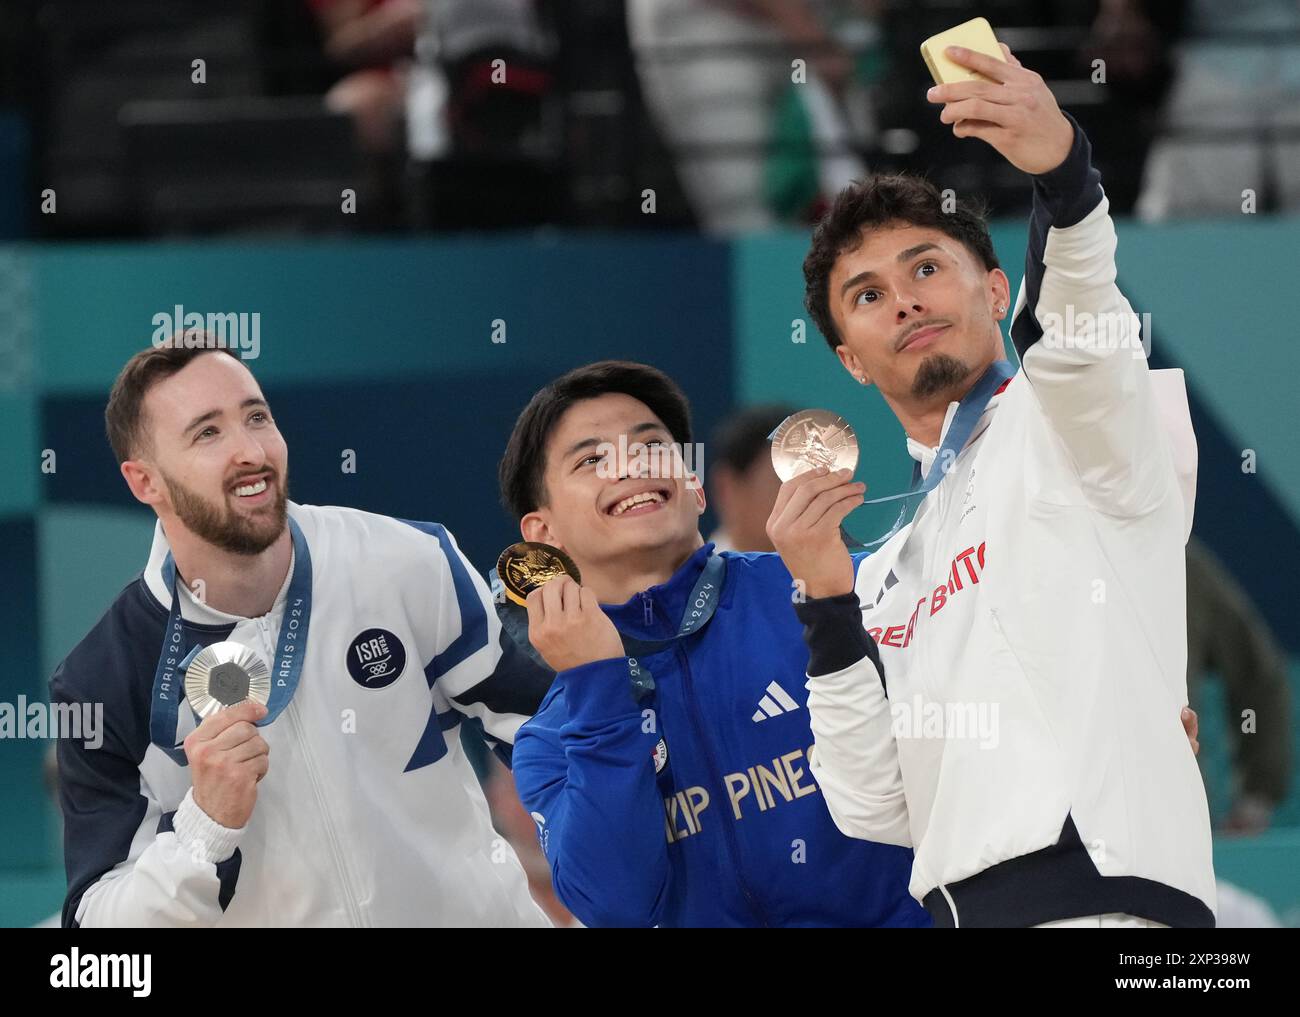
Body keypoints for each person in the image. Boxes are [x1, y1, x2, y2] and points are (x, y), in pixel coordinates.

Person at [770, 42, 1216, 927]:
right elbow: (873, 806)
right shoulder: (879, 567)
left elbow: (1082, 332)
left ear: (996, 286)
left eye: (927, 267)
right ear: (851, 360)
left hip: (1116, 902)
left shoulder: (1076, 425)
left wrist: (1065, 177)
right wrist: (824, 603)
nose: (904, 299)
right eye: (867, 294)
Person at [51, 336, 552, 927]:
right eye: (207, 433)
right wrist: (204, 827)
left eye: (257, 417)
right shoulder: (102, 677)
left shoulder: (407, 562)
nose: (250, 450)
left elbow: (554, 740)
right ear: (145, 483)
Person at [502, 360, 926, 927]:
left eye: (651, 446)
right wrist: (595, 687)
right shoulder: (555, 734)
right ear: (543, 534)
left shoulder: (839, 591)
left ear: (696, 487)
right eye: (592, 459)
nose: (630, 466)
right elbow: (617, 904)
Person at [705, 403, 795, 552]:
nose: (806, 494)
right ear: (725, 488)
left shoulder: (841, 571)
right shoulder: (694, 574)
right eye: (784, 478)